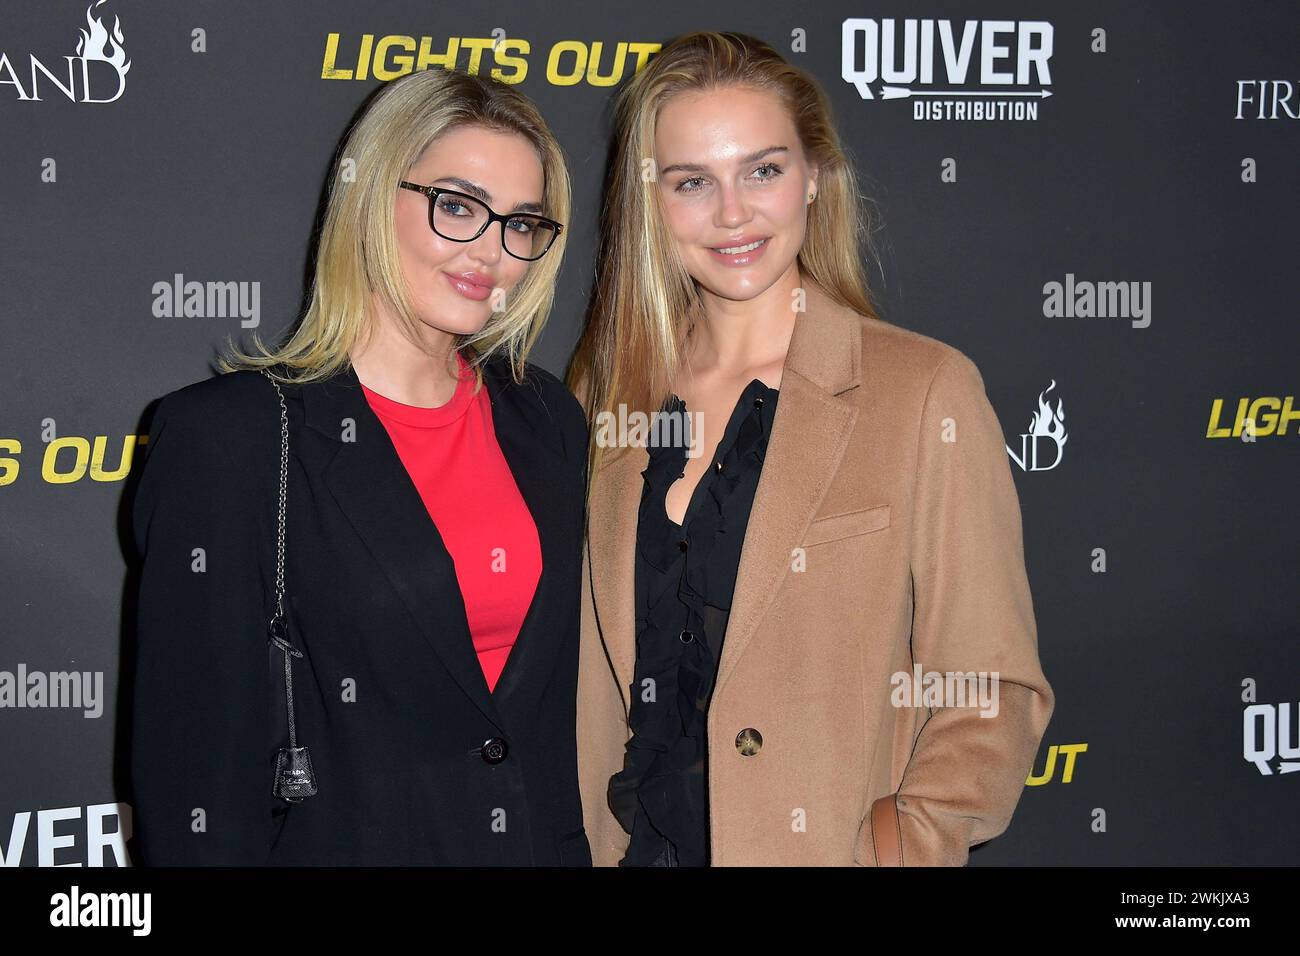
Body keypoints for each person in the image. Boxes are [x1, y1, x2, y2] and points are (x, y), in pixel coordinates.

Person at [568, 31, 1055, 866]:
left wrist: (898, 848)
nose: (733, 214)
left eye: (763, 170)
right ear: (651, 202)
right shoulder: (604, 396)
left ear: (816, 176)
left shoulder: (920, 391)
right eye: (692, 182)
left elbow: (992, 685)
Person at [129, 68, 590, 865]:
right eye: (457, 206)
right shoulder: (232, 439)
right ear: (373, 197)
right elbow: (194, 783)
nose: (492, 251)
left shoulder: (546, 416)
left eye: (521, 222)